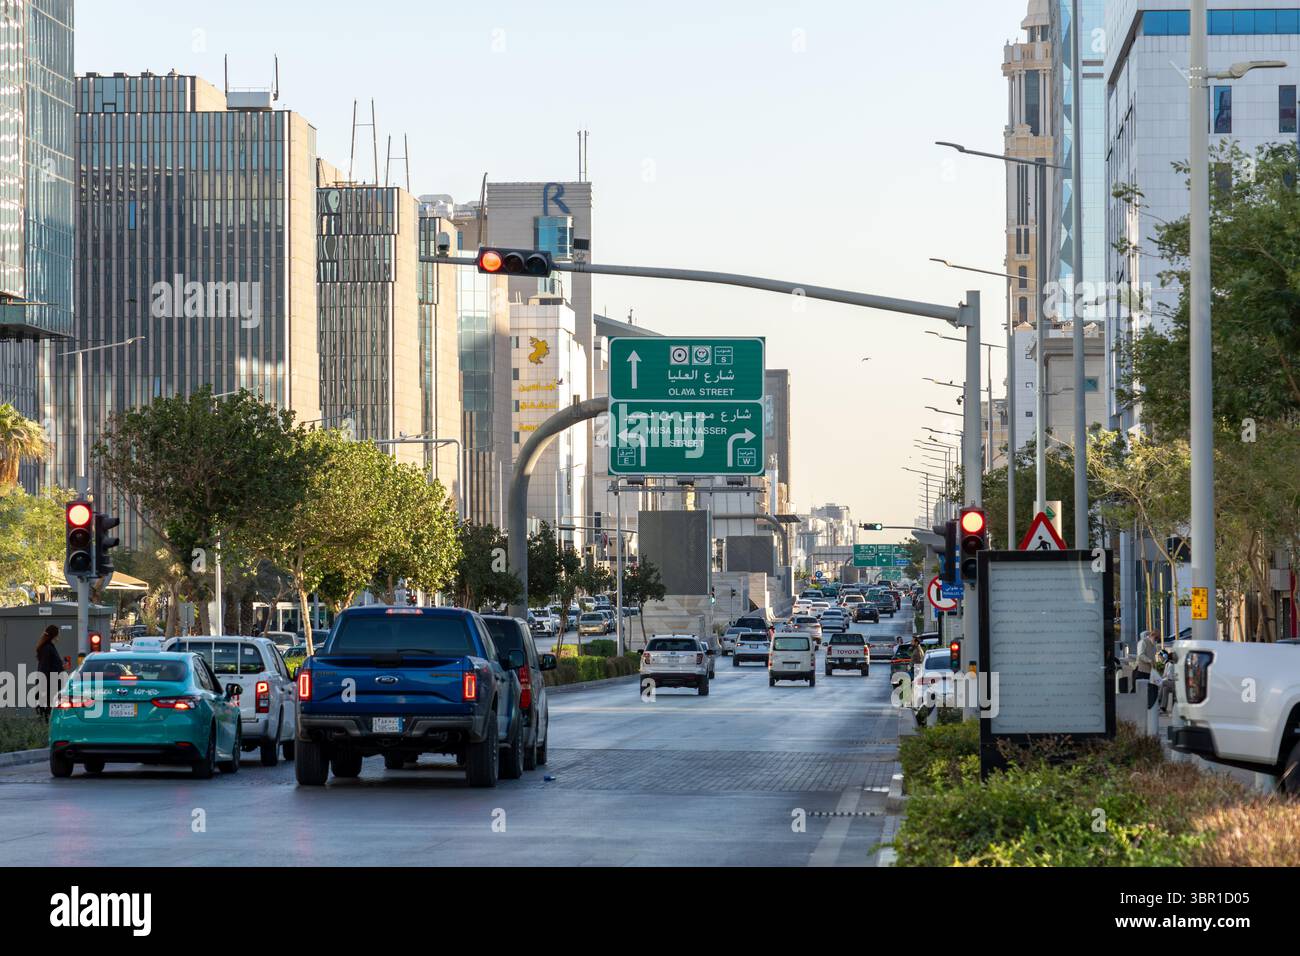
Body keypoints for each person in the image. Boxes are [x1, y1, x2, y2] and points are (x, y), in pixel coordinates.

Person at [35, 625, 65, 720]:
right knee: (48, 711)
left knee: (49, 709)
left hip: (50, 683)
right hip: (49, 684)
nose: (59, 636)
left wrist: (61, 666)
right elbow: (45, 667)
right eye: (58, 634)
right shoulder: (48, 648)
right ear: (54, 635)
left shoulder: (48, 647)